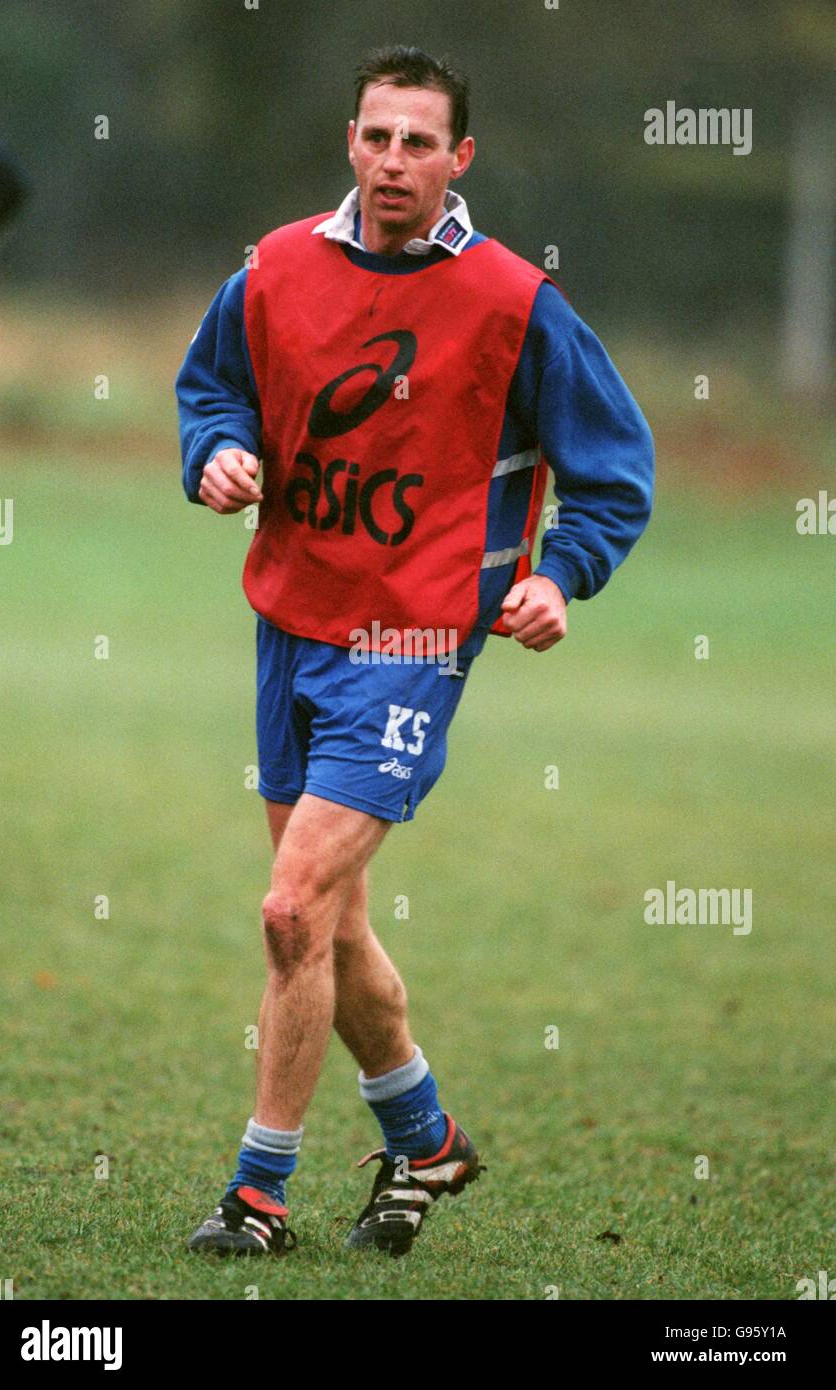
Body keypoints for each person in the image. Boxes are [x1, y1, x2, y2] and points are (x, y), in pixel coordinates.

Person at [176, 44, 654, 1258]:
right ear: (351, 142)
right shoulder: (275, 267)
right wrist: (216, 453)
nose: (395, 162)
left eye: (419, 143)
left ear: (460, 159)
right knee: (327, 923)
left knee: (290, 907)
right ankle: (427, 1136)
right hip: (291, 618)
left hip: (414, 638)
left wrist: (558, 572)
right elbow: (212, 389)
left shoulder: (513, 302)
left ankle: (258, 1194)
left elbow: (613, 472)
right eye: (376, 137)